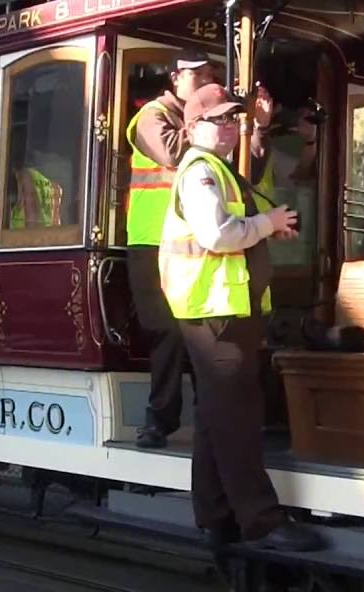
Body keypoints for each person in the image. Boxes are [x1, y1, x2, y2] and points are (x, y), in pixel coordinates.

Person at [158, 83, 322, 553]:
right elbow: (217, 235)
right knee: (237, 419)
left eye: (234, 120)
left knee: (215, 417)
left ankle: (214, 514)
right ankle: (260, 520)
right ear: (192, 127)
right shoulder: (201, 172)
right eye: (219, 120)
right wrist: (265, 226)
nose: (230, 128)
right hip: (216, 310)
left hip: (221, 308)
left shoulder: (215, 170)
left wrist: (265, 229)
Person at [126, 48, 272, 449]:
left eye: (210, 73)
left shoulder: (213, 129)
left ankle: (209, 420)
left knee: (204, 341)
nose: (206, 79)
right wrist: (212, 123)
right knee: (166, 335)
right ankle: (159, 420)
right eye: (197, 73)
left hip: (197, 247)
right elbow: (176, 153)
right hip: (152, 239)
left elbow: (247, 172)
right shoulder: (152, 116)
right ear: (175, 78)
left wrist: (256, 129)